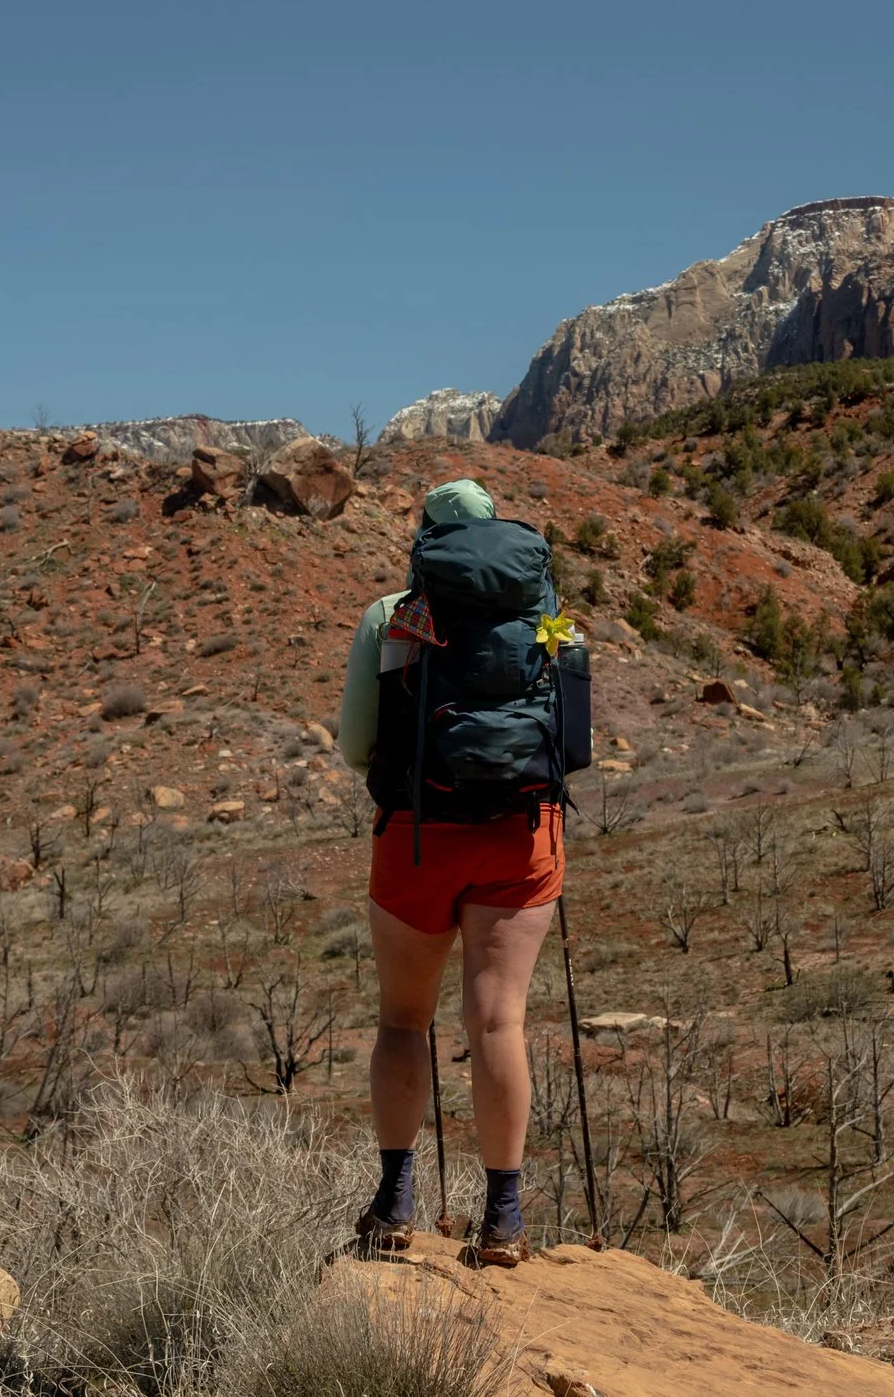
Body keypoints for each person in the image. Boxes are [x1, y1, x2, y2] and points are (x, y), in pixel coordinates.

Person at [336, 478, 571, 1269]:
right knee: (497, 1022)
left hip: (416, 835)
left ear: (427, 539)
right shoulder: (549, 613)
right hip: (520, 835)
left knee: (405, 1021)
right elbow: (577, 741)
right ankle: (502, 1217)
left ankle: (397, 1204)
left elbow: (354, 748)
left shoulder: (394, 613)